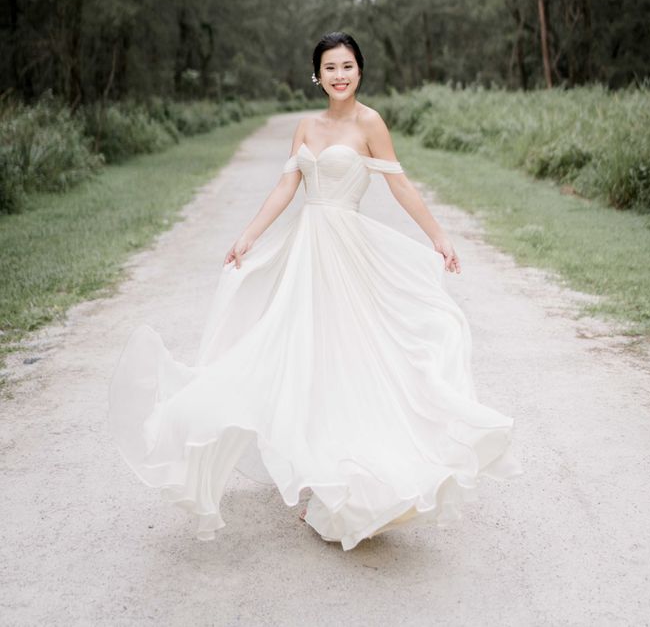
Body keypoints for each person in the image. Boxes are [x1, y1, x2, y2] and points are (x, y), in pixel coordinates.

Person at [109, 31, 521, 551]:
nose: (340, 75)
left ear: (360, 70)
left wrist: (438, 236)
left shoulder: (370, 123)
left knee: (354, 358)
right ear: (317, 75)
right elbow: (287, 186)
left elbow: (400, 185)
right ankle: (316, 473)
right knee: (302, 356)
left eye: (347, 65)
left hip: (349, 253)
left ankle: (352, 479)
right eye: (330, 67)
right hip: (306, 253)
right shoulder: (306, 125)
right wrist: (248, 235)